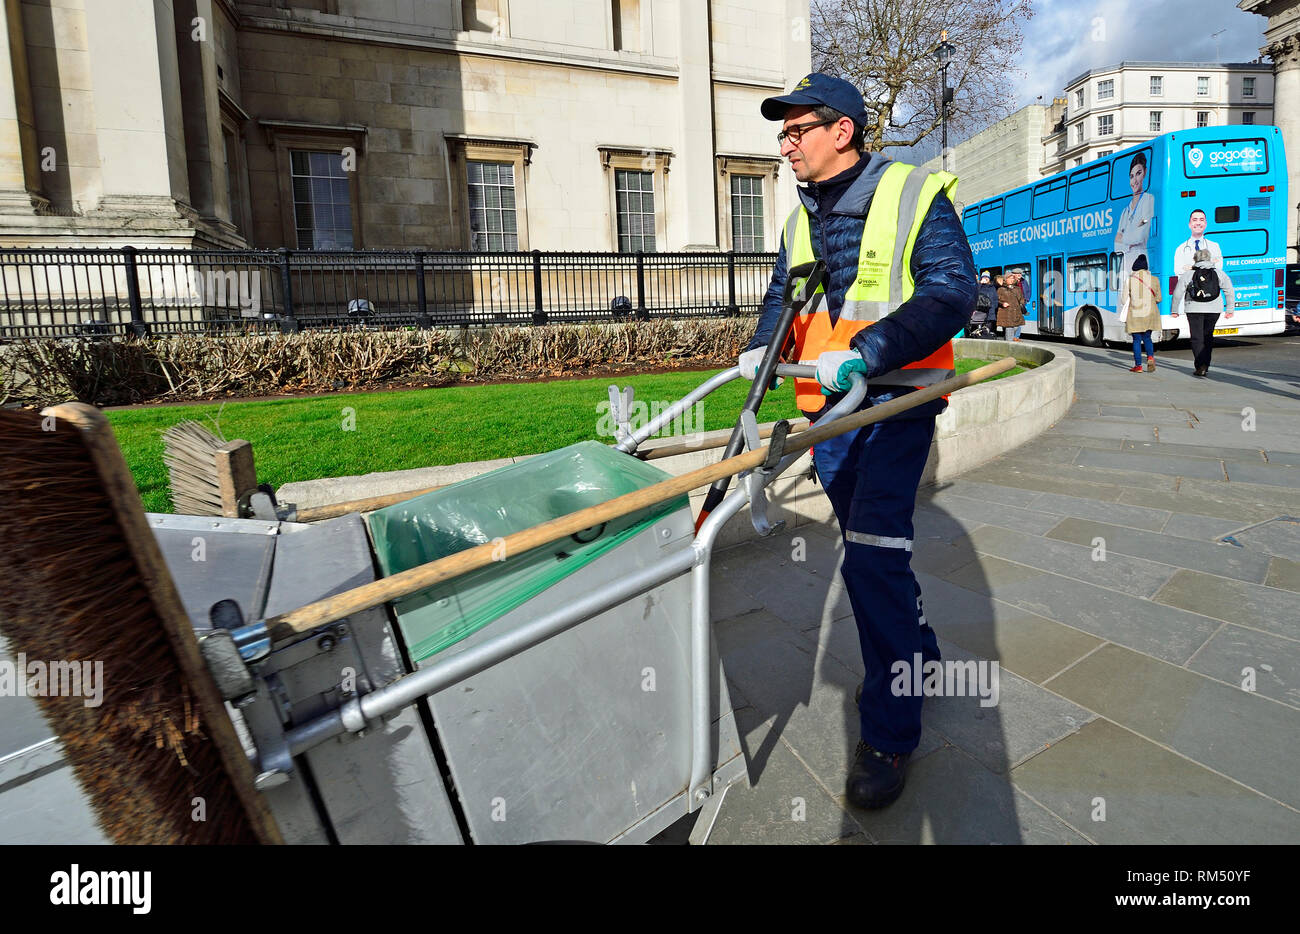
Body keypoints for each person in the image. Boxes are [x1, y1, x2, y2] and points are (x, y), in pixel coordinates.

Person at [737, 73, 973, 811]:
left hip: (896, 404)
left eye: (796, 130)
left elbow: (951, 290)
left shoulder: (911, 192)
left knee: (870, 558)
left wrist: (871, 349)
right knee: (877, 553)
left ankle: (892, 731)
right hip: (830, 414)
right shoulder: (798, 215)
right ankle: (921, 651)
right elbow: (785, 293)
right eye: (782, 134)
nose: (785, 145)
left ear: (842, 130)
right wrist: (759, 346)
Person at [1173, 209, 1233, 377]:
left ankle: (1200, 366)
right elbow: (1228, 288)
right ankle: (1205, 364)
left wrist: (1174, 309)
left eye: (1201, 219)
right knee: (1208, 337)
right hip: (1214, 307)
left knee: (1197, 338)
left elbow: (1179, 288)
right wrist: (1230, 309)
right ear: (1189, 224)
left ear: (1206, 223)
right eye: (1194, 219)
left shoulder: (1214, 246)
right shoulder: (1181, 249)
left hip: (1193, 306)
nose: (1198, 222)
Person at [1113, 151, 1155, 280]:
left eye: (1138, 173)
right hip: (1126, 270)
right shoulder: (1125, 212)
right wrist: (1134, 232)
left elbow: (1141, 235)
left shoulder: (1148, 200)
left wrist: (1124, 238)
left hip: (1142, 267)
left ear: (1145, 173)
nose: (1134, 180)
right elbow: (1116, 245)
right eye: (1131, 176)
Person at [1119, 253, 1161, 372]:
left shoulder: (1130, 280)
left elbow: (1123, 300)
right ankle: (1151, 357)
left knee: (1137, 339)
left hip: (1135, 313)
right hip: (1150, 313)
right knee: (1147, 338)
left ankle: (1138, 366)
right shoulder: (1155, 280)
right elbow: (1159, 298)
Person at [997, 270, 1026, 341]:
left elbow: (1021, 298)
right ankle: (1009, 345)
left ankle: (1008, 342)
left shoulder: (1017, 289)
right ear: (1005, 279)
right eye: (1009, 278)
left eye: (1012, 278)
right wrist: (1002, 303)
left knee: (1016, 327)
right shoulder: (1001, 289)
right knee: (1009, 330)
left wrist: (1022, 303)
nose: (1011, 280)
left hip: (1016, 312)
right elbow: (996, 300)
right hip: (1007, 313)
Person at [968, 270, 998, 337]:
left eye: (987, 277)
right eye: (983, 277)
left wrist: (993, 307)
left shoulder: (992, 287)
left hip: (990, 312)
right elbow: (974, 293)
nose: (985, 278)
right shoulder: (978, 286)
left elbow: (995, 299)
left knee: (987, 330)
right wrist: (980, 284)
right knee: (976, 330)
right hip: (979, 312)